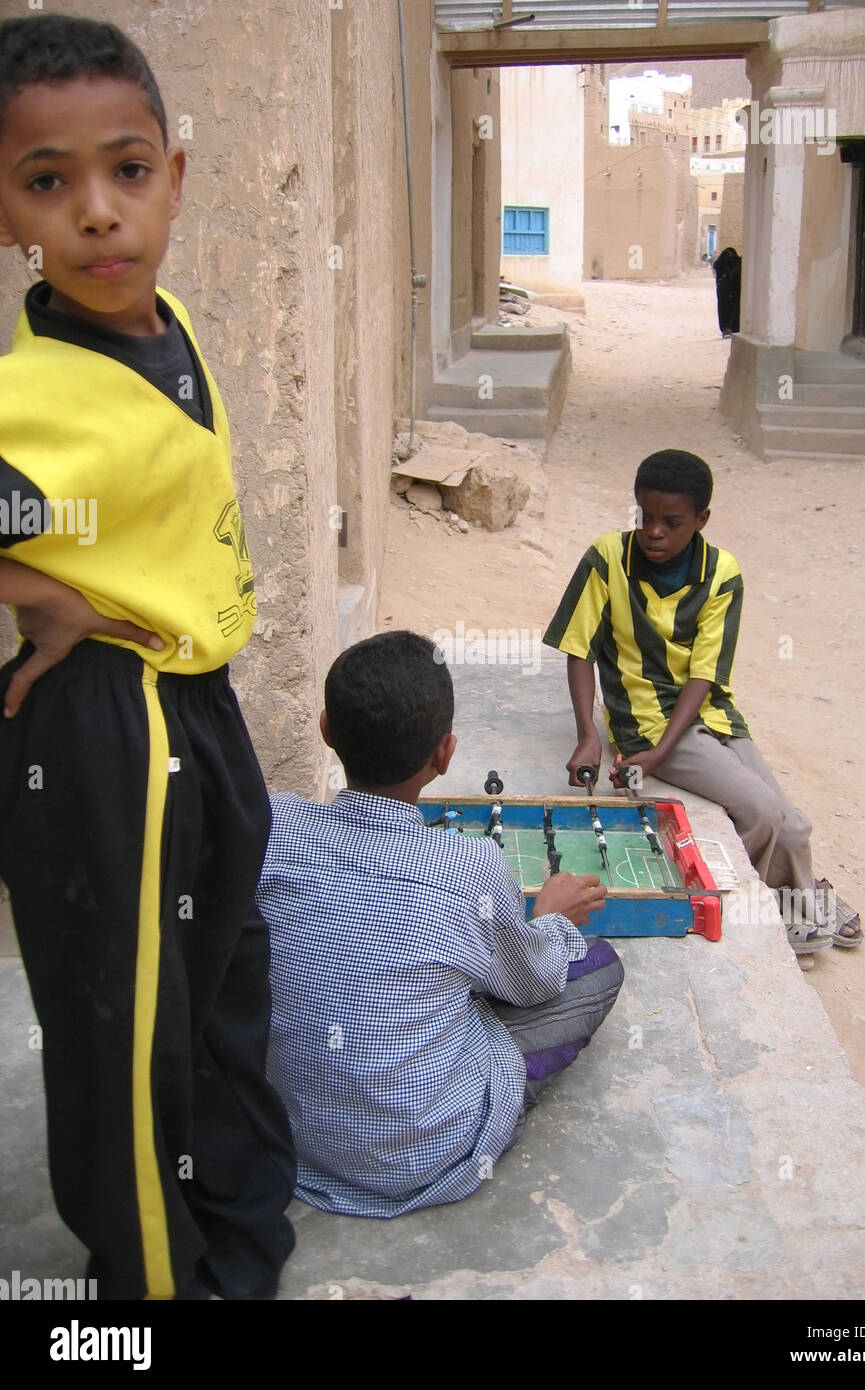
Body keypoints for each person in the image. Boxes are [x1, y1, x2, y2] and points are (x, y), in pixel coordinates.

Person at [0, 15, 296, 1299]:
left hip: (200, 704)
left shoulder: (163, 324)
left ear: (176, 175)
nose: (98, 215)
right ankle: (147, 1295)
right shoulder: (33, 396)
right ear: (6, 207)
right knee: (123, 1042)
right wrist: (31, 587)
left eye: (127, 171)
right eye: (46, 183)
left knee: (226, 973)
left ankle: (241, 1239)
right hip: (102, 732)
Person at [256, 630, 624, 1217]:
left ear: (326, 731)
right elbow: (535, 984)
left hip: (296, 1139)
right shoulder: (467, 867)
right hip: (428, 1153)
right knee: (597, 966)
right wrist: (551, 921)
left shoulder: (273, 827)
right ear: (445, 754)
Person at [543, 448, 862, 956]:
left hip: (706, 714)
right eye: (645, 517)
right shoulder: (606, 558)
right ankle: (794, 901)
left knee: (789, 819)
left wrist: (662, 756)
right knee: (762, 809)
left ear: (701, 520)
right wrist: (589, 736)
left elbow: (704, 676)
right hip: (645, 720)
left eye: (672, 522)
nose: (655, 532)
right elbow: (578, 650)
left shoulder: (721, 573)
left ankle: (790, 896)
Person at [712, 246, 741, 338]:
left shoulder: (721, 265)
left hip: (729, 291)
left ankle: (728, 327)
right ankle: (728, 328)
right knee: (728, 309)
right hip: (728, 291)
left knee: (729, 310)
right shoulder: (722, 265)